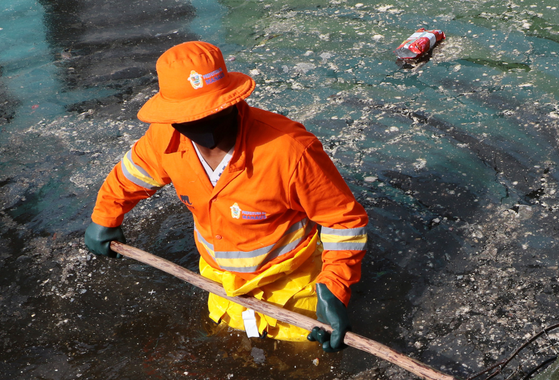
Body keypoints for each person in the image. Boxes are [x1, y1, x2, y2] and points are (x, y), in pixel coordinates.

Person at [83, 41, 367, 351]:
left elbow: (344, 222)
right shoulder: (165, 139)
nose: (205, 124)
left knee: (304, 365)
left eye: (213, 111)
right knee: (228, 360)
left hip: (293, 290)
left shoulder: (289, 151)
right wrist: (105, 217)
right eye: (192, 116)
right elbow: (129, 176)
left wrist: (335, 288)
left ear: (233, 100)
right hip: (221, 286)